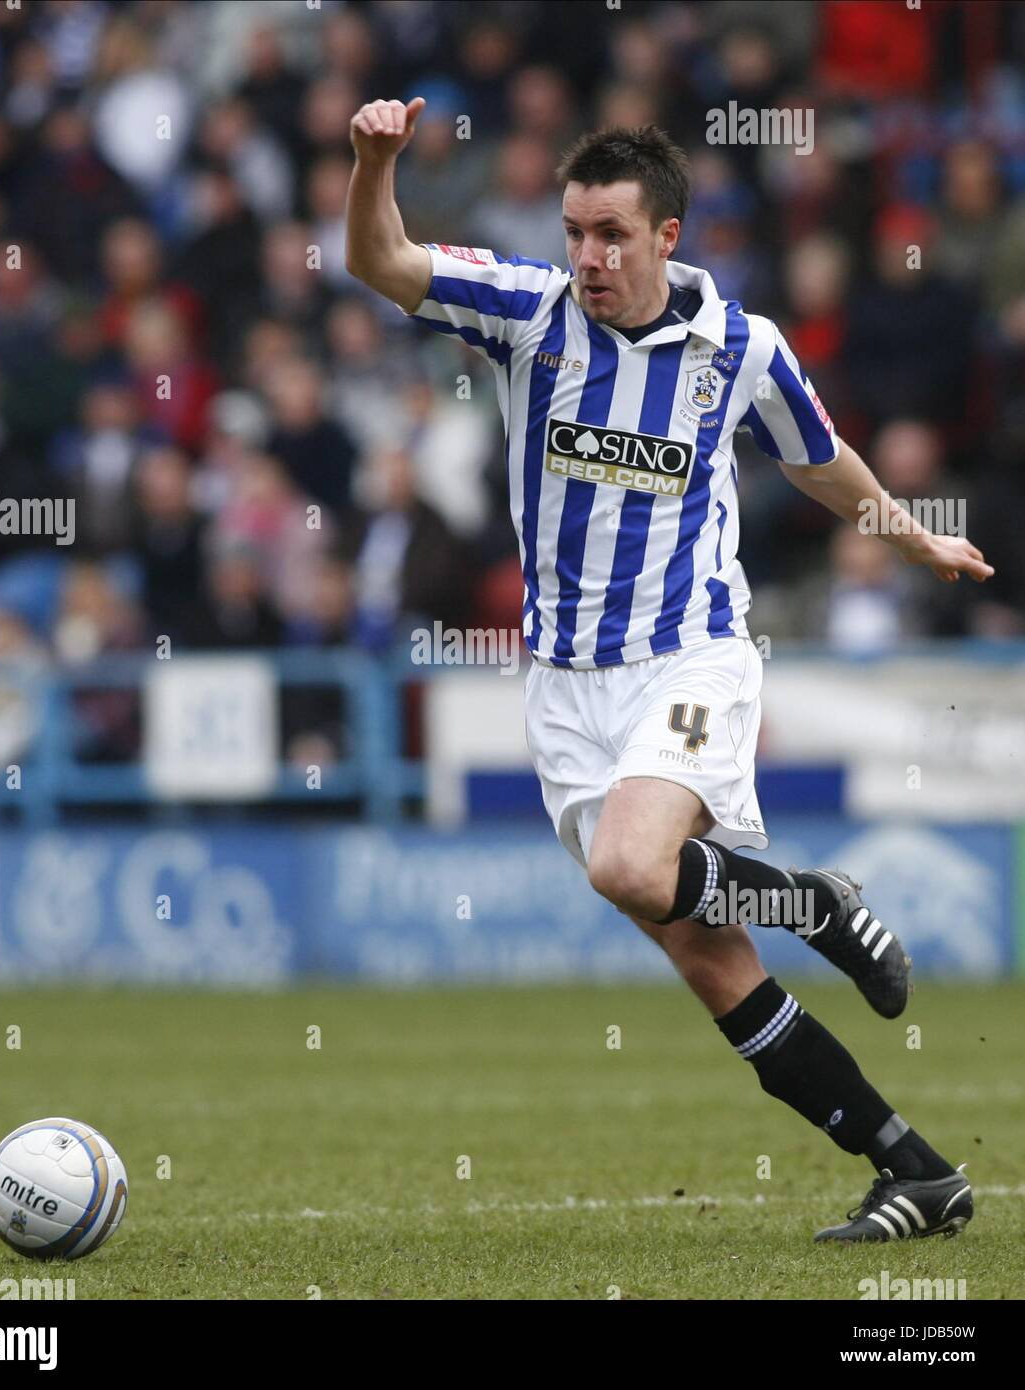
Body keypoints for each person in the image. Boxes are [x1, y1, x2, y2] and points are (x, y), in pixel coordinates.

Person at [345, 99, 994, 1244]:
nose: (587, 257)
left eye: (610, 234)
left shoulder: (740, 349)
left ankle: (816, 904)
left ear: (668, 237)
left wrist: (910, 535)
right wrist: (372, 164)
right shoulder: (526, 314)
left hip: (690, 658)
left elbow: (820, 460)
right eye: (574, 231)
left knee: (632, 866)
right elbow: (378, 257)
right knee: (707, 959)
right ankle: (915, 1169)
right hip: (566, 691)